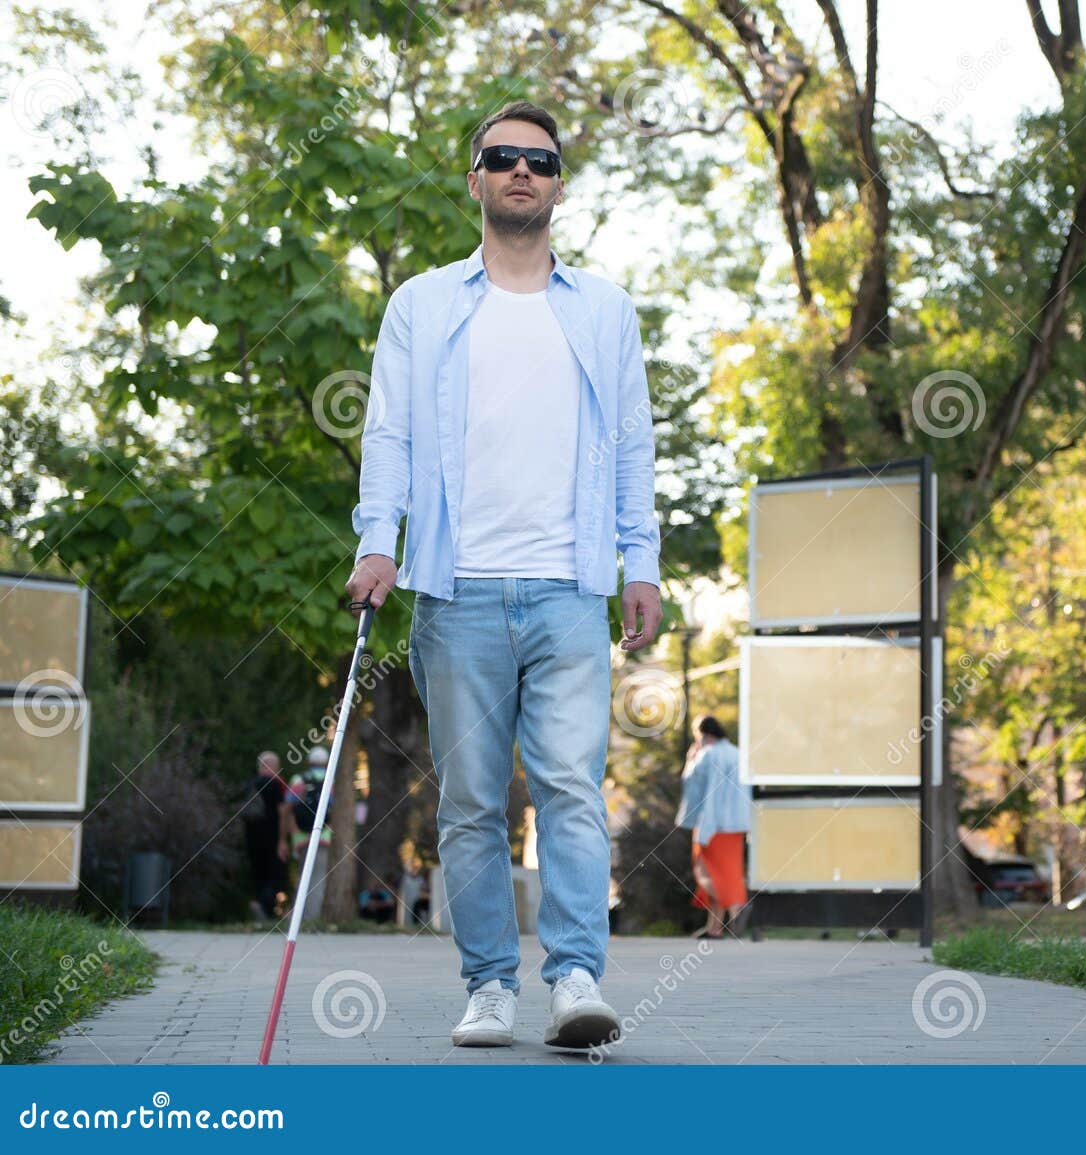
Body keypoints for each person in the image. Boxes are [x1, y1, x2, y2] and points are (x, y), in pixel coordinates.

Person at [346, 100, 663, 1051]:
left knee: (570, 787)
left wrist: (638, 562)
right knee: (473, 803)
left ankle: (574, 977)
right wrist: (377, 540)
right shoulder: (423, 304)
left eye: (541, 159)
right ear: (476, 178)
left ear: (559, 184)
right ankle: (489, 986)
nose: (522, 170)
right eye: (503, 157)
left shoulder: (604, 309)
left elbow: (634, 445)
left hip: (570, 590)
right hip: (455, 590)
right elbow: (390, 433)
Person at [675, 716, 751, 938]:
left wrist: (690, 760)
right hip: (735, 825)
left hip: (711, 822)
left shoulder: (708, 754)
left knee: (704, 871)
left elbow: (701, 790)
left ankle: (737, 909)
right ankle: (715, 928)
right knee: (728, 872)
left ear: (703, 733)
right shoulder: (736, 752)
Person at [282, 747, 333, 922]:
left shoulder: (298, 780)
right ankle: (312, 919)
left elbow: (286, 810)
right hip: (324, 837)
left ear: (308, 761)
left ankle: (297, 918)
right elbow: (337, 812)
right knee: (318, 878)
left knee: (302, 875)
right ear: (326, 762)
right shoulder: (332, 780)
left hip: (300, 838)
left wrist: (289, 835)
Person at [241, 751, 289, 922]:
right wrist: (283, 840)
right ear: (273, 766)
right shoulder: (276, 785)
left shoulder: (250, 784)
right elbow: (283, 812)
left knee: (258, 874)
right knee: (276, 876)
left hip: (252, 838)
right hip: (273, 838)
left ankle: (259, 907)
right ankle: (263, 907)